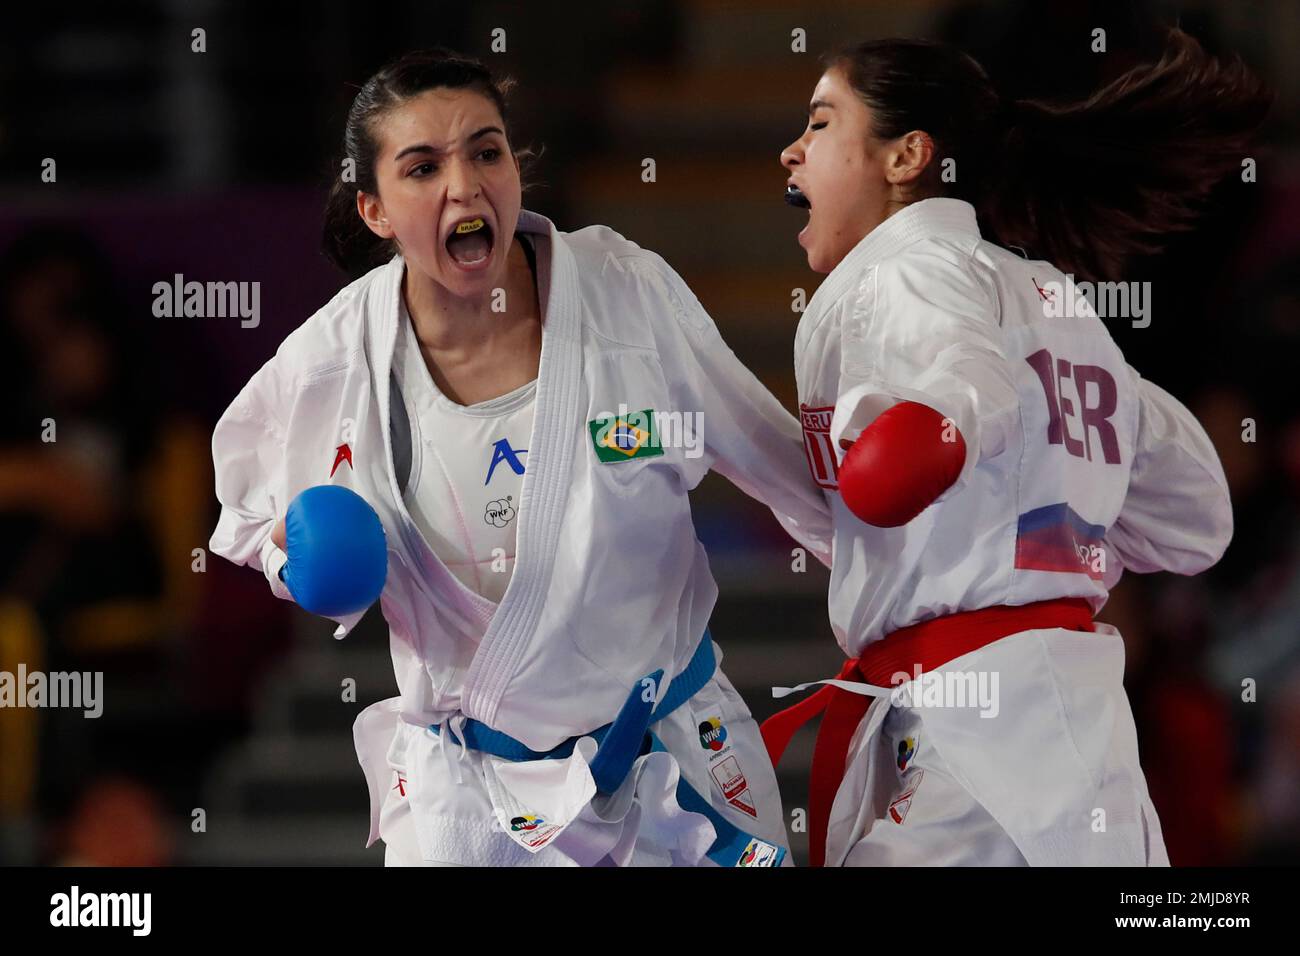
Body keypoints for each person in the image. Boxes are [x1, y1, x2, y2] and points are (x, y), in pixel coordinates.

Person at [209, 48, 831, 867]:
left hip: (671, 755)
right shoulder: (332, 359)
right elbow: (247, 516)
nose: (464, 186)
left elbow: (778, 461)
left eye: (486, 151)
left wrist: (914, 610)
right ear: (375, 210)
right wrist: (301, 567)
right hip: (472, 793)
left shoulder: (622, 289)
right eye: (423, 167)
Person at [762, 28, 1271, 866]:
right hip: (1067, 739)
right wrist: (1073, 518)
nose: (792, 150)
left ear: (907, 156)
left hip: (984, 752)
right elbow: (1199, 519)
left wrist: (941, 432)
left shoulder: (907, 269)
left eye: (820, 123)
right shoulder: (1051, 299)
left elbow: (971, 386)